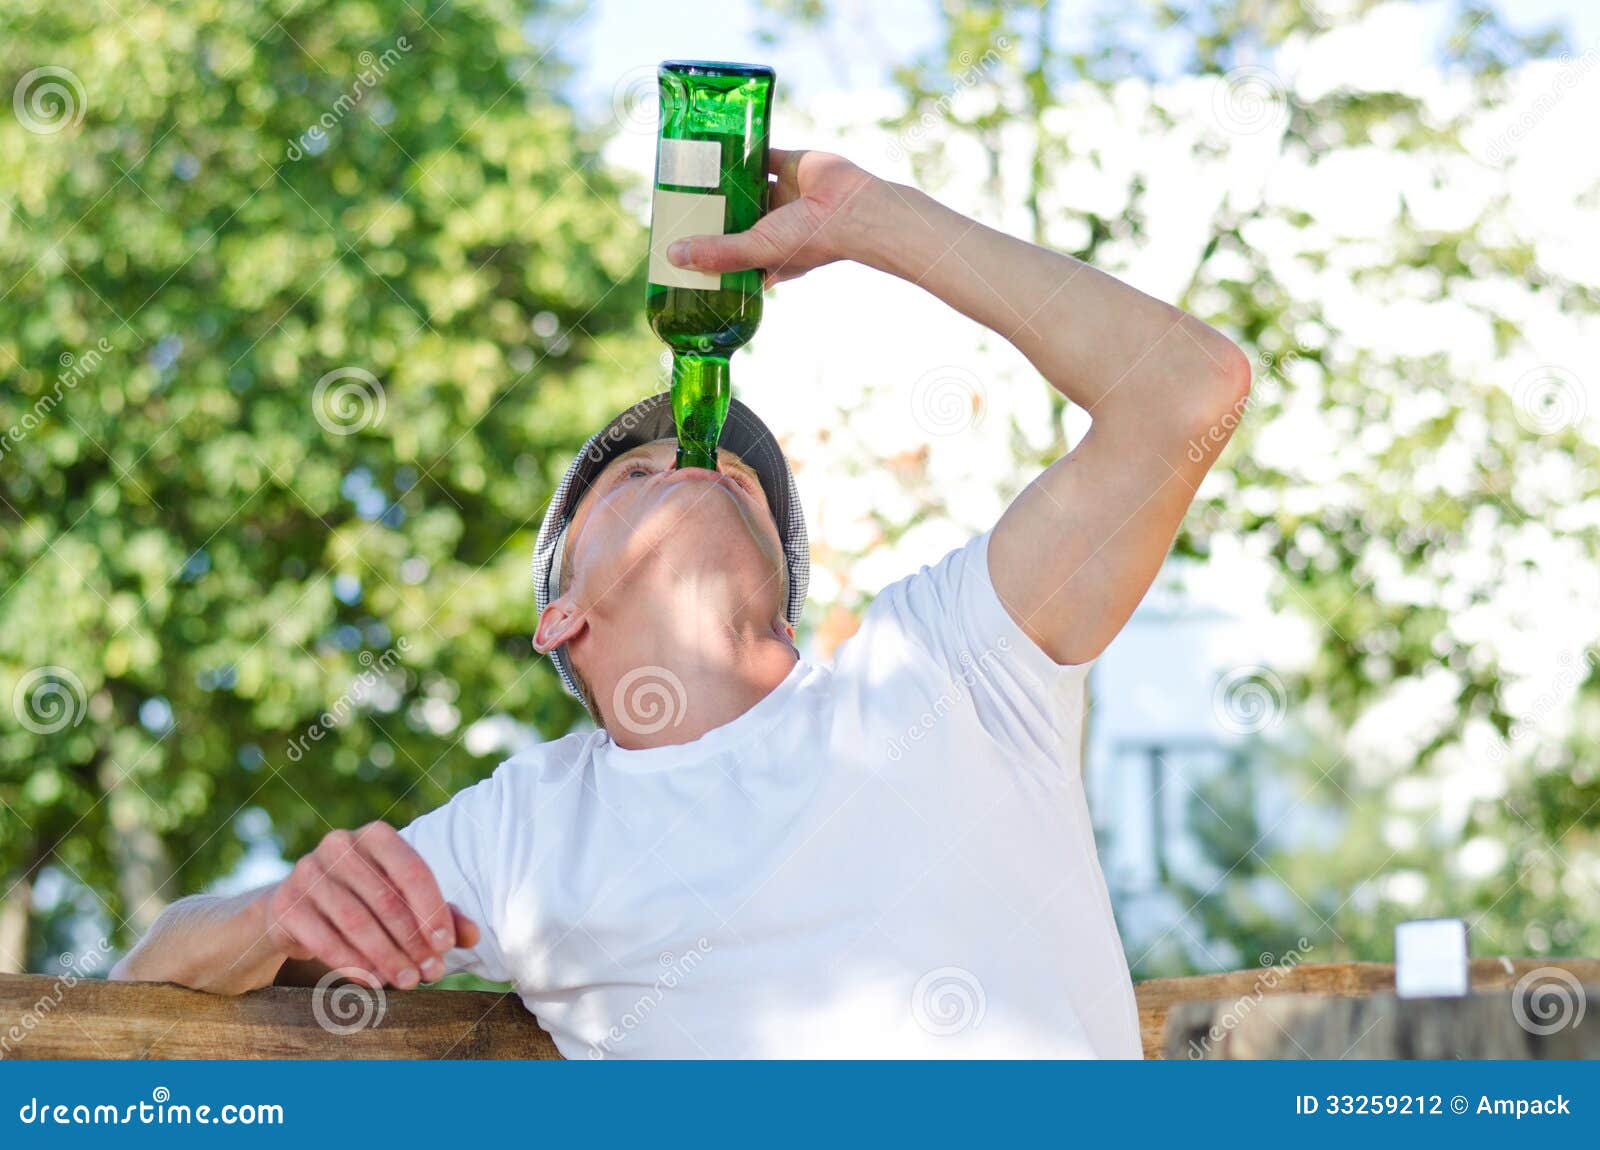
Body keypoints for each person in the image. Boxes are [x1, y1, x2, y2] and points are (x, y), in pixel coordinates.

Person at [113, 148, 1249, 1058]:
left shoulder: (943, 662)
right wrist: (276, 915)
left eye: (734, 474)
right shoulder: (527, 828)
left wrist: (867, 218)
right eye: (631, 474)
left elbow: (1187, 389)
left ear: (788, 607)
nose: (694, 453)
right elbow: (147, 974)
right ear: (560, 617)